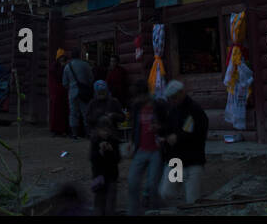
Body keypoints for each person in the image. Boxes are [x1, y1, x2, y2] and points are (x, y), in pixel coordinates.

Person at [159, 80, 208, 206]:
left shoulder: (195, 110)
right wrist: (164, 136)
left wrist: (177, 137)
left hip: (193, 160)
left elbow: (197, 133)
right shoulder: (172, 110)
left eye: (174, 98)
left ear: (181, 93)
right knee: (166, 192)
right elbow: (167, 129)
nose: (173, 101)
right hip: (177, 161)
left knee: (193, 201)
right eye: (171, 99)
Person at [126, 79, 167, 215]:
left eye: (138, 96)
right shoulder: (137, 107)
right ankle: (133, 212)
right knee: (132, 182)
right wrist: (132, 142)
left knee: (152, 185)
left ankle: (154, 210)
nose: (136, 99)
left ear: (145, 94)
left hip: (156, 150)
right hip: (141, 149)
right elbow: (135, 126)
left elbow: (168, 125)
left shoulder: (159, 106)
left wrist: (160, 130)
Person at [89, 115, 122, 216]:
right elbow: (92, 159)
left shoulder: (114, 142)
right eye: (103, 130)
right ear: (98, 130)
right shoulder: (95, 142)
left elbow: (118, 159)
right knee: (99, 204)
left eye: (107, 130)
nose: (105, 133)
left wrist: (111, 151)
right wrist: (100, 152)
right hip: (99, 177)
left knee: (110, 205)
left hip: (111, 177)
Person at [61, 49, 93, 139]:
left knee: (73, 113)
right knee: (85, 112)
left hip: (72, 92)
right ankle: (88, 133)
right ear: (79, 55)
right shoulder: (85, 65)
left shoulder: (67, 67)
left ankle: (74, 133)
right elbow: (91, 78)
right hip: (84, 92)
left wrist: (71, 87)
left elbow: (64, 83)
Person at [48, 50, 69, 136]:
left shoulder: (61, 66)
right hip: (56, 91)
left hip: (62, 91)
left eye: (63, 57)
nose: (62, 58)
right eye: (61, 57)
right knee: (56, 111)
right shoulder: (54, 66)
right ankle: (56, 129)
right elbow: (57, 76)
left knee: (62, 111)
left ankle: (62, 129)